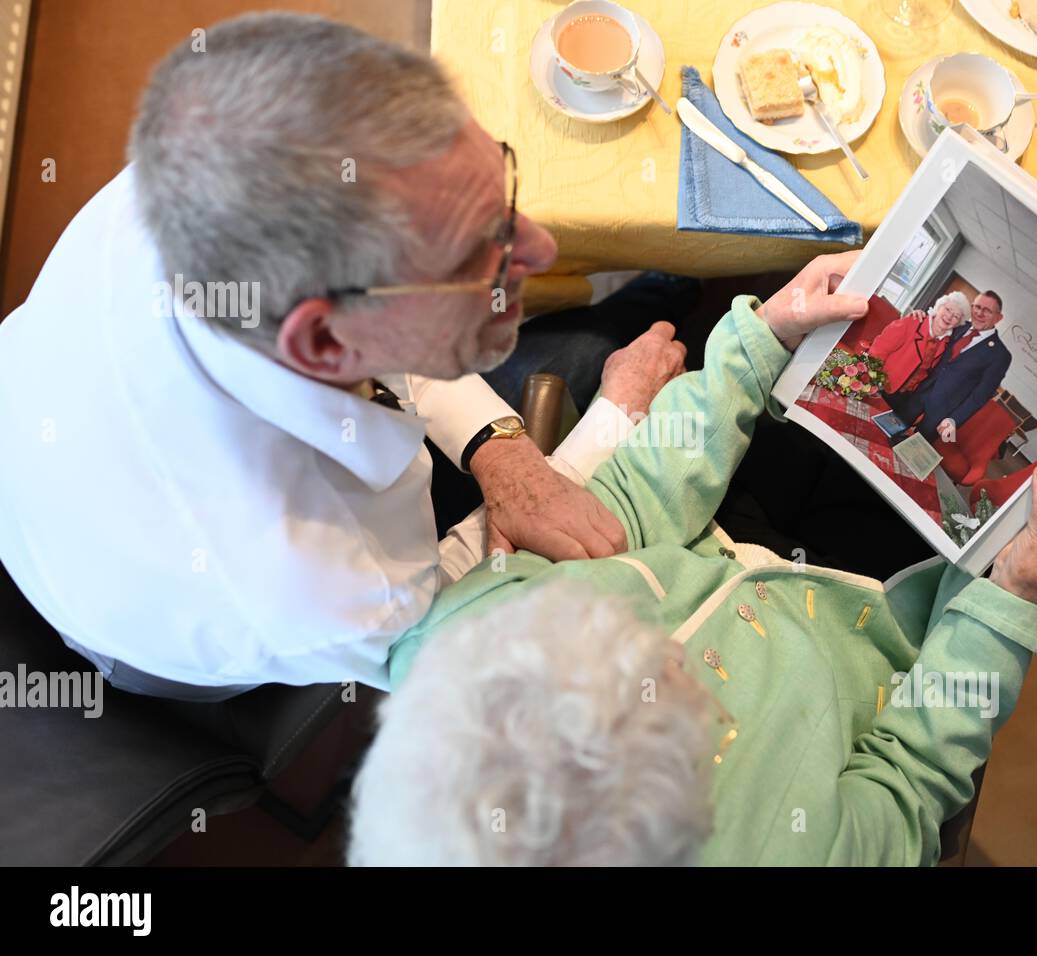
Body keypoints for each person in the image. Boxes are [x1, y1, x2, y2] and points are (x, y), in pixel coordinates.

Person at [0, 14, 694, 699]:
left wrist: (505, 451)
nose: (542, 248)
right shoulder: (328, 580)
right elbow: (452, 625)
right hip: (171, 633)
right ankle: (675, 290)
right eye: (478, 250)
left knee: (579, 348)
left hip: (59, 473)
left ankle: (670, 288)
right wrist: (615, 419)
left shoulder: (206, 169)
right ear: (326, 341)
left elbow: (378, 331)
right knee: (588, 352)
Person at [348, 251, 1037, 866]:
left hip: (716, 515)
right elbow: (912, 774)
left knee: (810, 322)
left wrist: (757, 346)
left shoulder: (453, 646)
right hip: (881, 606)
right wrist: (1014, 589)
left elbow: (634, 509)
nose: (682, 664)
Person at [888, 290, 1012, 445]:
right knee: (887, 432)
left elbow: (979, 397)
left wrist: (954, 420)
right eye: (977, 307)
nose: (979, 313)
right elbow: (933, 327)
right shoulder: (958, 326)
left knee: (909, 452)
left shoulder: (1000, 355)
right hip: (917, 395)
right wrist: (921, 317)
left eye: (987, 310)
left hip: (942, 415)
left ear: (998, 317)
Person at [874, 291, 968, 402]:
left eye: (956, 316)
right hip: (880, 385)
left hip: (904, 398)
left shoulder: (948, 344)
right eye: (947, 309)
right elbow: (880, 348)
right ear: (939, 307)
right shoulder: (913, 321)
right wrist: (872, 379)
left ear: (958, 323)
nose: (949, 316)